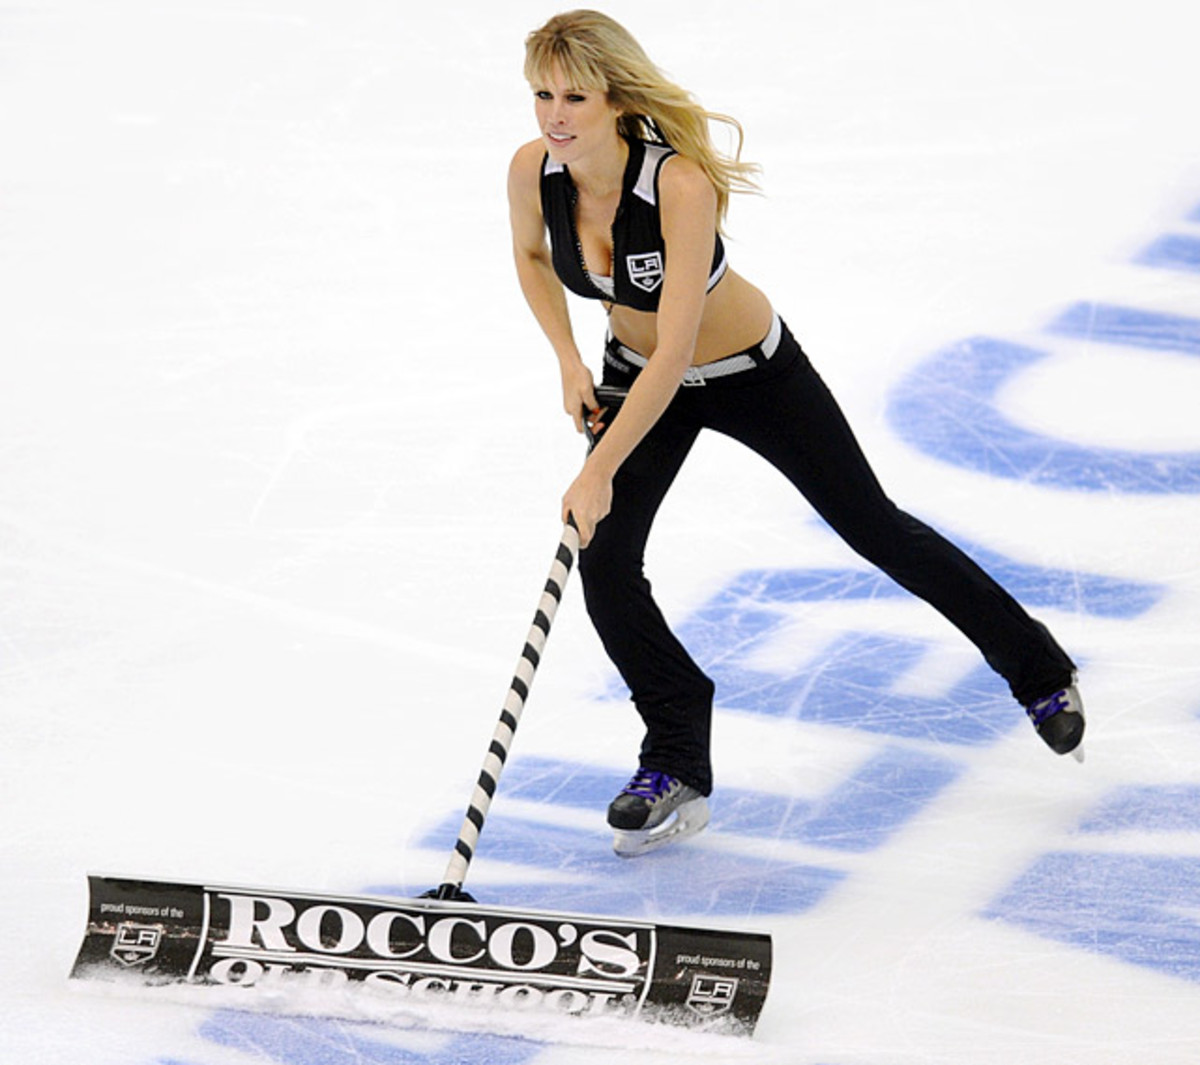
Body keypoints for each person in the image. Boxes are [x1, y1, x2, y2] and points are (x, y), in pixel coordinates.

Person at [508, 10, 1084, 857]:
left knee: (874, 527)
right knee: (605, 559)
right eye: (541, 95)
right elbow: (531, 258)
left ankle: (1041, 673)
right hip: (635, 372)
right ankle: (675, 756)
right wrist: (567, 359)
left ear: (618, 99)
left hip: (750, 373)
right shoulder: (534, 172)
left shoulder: (678, 186)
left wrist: (599, 470)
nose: (554, 115)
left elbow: (676, 348)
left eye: (575, 97)